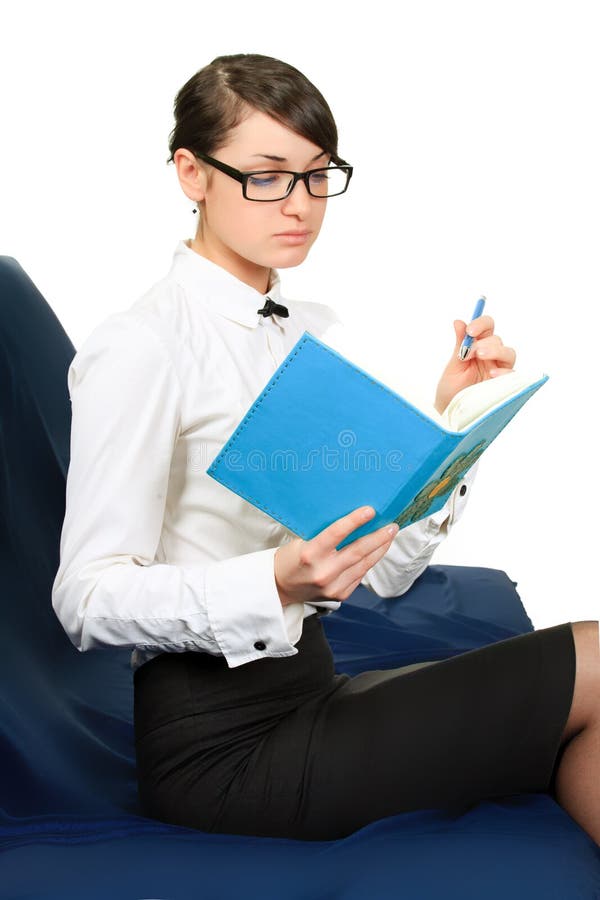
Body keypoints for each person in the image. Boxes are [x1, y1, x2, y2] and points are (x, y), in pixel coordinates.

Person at [51, 53, 599, 845]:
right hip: (221, 748)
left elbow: (388, 570)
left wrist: (452, 426)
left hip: (313, 692)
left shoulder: (308, 331)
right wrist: (270, 581)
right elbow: (87, 598)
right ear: (191, 173)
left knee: (577, 718)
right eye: (267, 176)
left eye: (317, 175)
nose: (300, 203)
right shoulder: (143, 346)